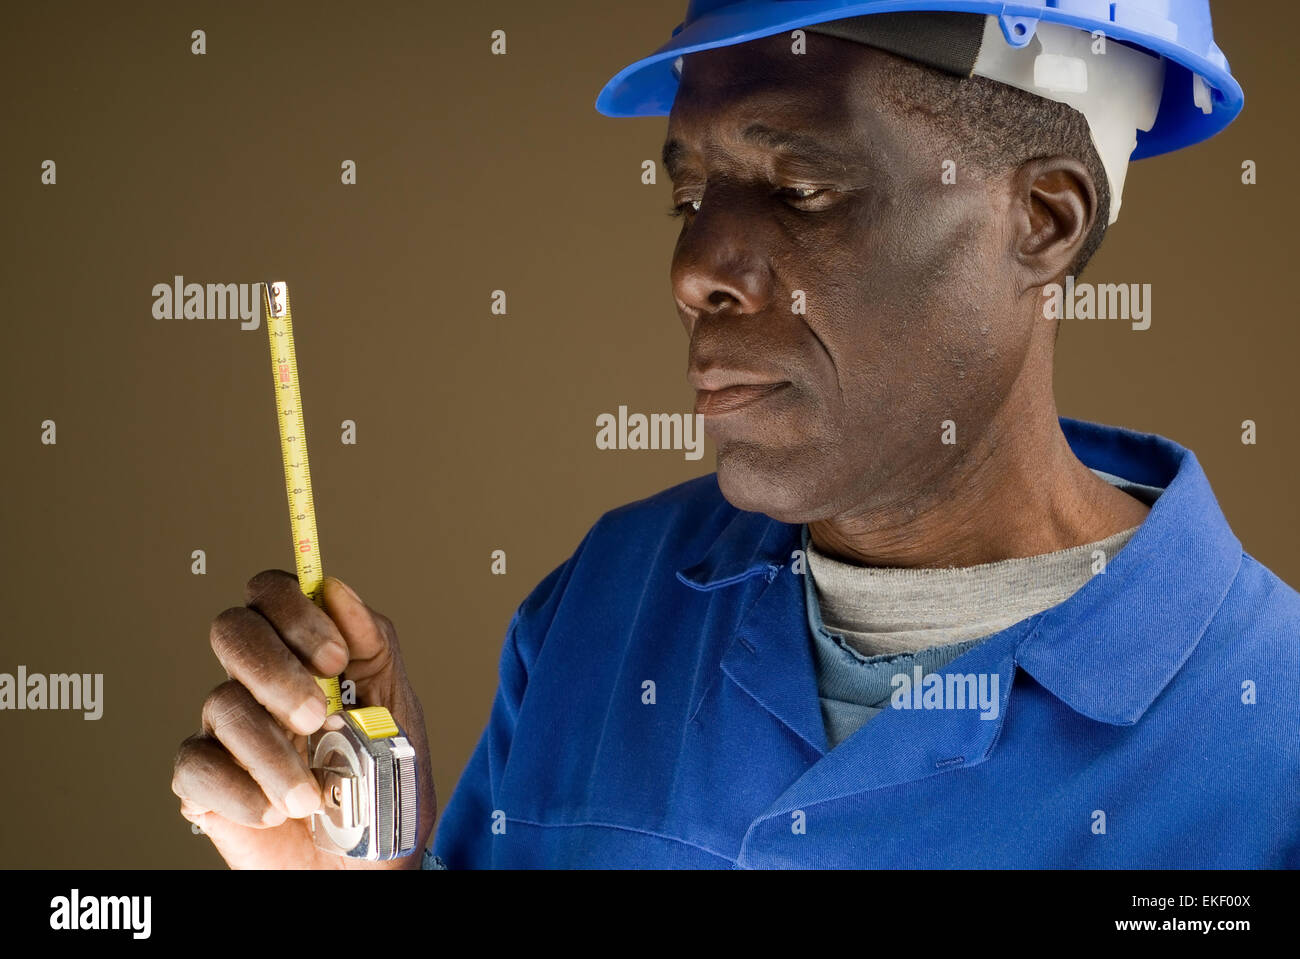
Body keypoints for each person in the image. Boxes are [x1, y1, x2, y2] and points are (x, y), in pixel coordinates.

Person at [172, 2, 1300, 868]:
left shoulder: (1270, 740)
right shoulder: (604, 606)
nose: (695, 268)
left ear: (1042, 220)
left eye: (800, 185)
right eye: (690, 195)